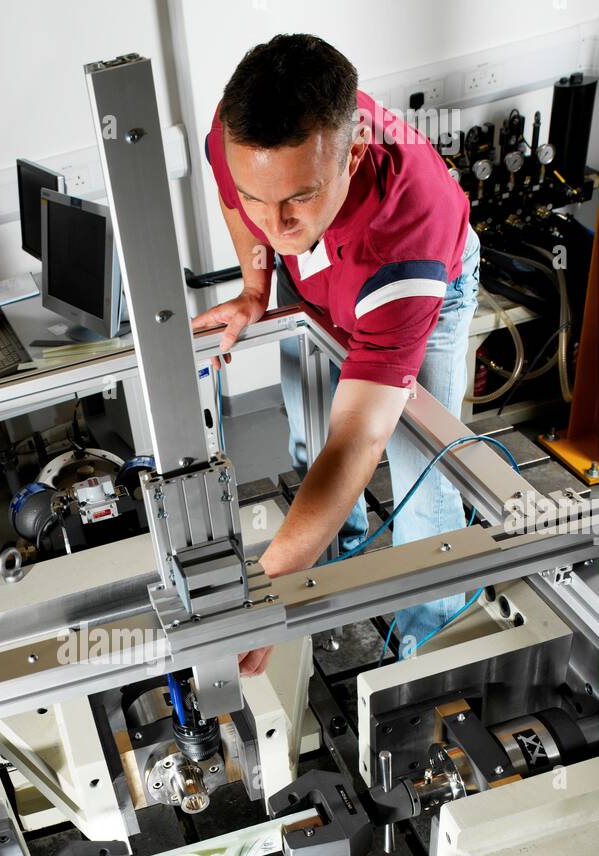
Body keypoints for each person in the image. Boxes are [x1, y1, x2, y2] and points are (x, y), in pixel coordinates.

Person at [192, 34, 480, 673]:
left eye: (298, 197)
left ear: (353, 157)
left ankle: (428, 653)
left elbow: (358, 436)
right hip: (321, 282)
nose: (276, 223)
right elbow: (239, 197)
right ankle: (334, 580)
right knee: (308, 437)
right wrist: (255, 285)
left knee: (419, 475)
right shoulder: (244, 137)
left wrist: (262, 590)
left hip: (414, 292)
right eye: (261, 198)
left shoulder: (409, 239)